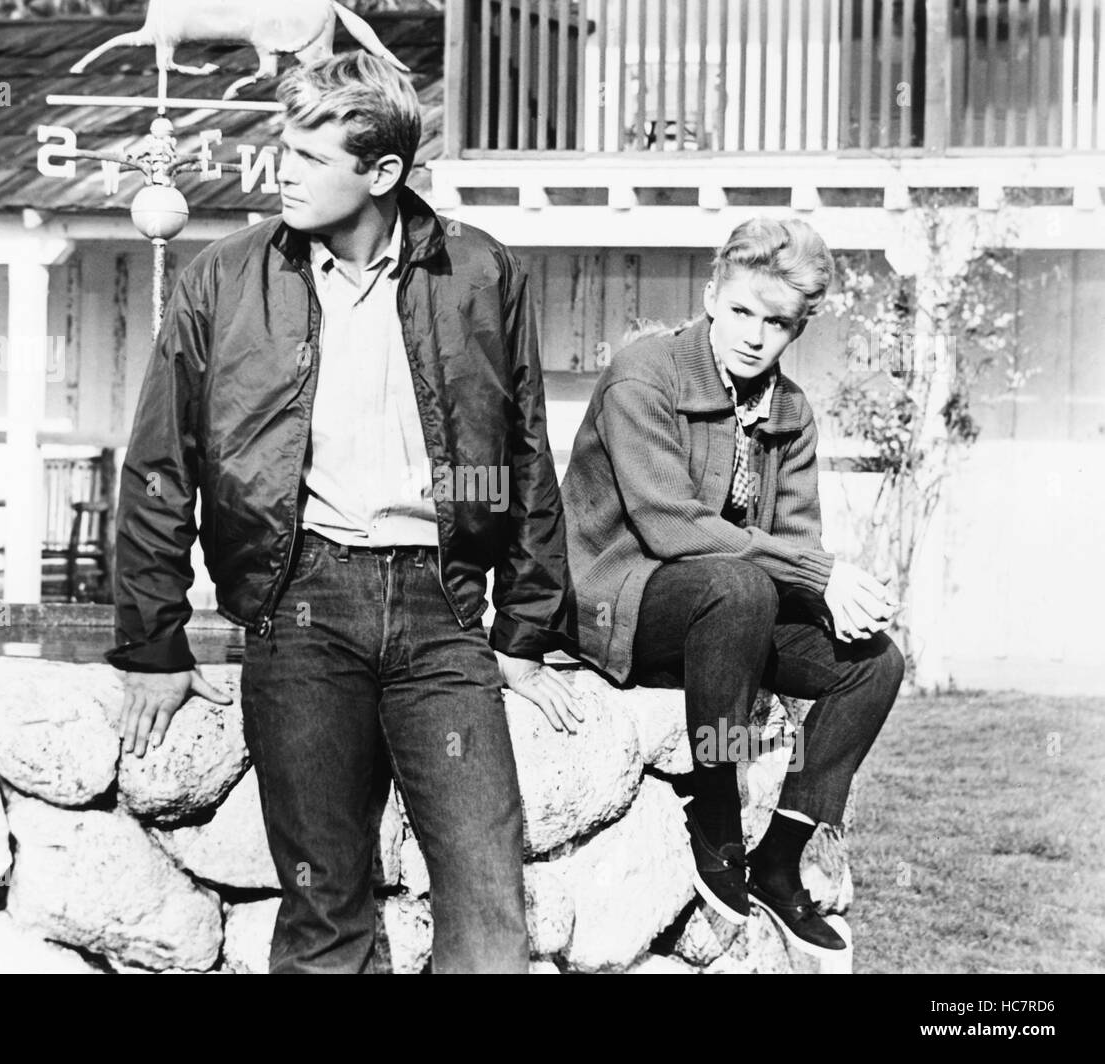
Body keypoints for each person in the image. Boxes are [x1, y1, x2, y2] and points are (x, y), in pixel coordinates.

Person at [105, 51, 583, 973]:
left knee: (487, 901)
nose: (281, 171)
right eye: (282, 148)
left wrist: (524, 631)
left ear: (383, 173)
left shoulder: (480, 272)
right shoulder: (224, 279)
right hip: (300, 605)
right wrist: (154, 644)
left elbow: (524, 456)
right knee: (324, 902)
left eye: (311, 158)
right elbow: (162, 464)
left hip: (443, 609)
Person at [561, 217, 904, 958]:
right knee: (739, 587)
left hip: (728, 616)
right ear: (713, 295)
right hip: (618, 602)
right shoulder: (644, 372)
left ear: (797, 330)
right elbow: (670, 525)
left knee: (876, 662)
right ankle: (713, 808)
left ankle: (779, 859)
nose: (754, 335)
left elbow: (796, 541)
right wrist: (814, 574)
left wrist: (841, 597)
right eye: (742, 310)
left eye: (776, 323)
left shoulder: (791, 413)